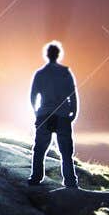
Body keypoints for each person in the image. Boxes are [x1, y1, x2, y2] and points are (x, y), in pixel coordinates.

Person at [28, 41, 78, 189]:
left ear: (47, 55)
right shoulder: (65, 72)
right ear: (58, 55)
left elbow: (32, 96)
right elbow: (72, 95)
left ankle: (36, 177)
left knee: (39, 149)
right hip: (63, 115)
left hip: (45, 114)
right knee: (66, 151)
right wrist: (73, 113)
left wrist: (36, 112)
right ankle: (70, 181)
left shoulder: (40, 73)